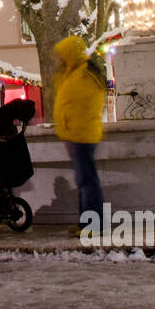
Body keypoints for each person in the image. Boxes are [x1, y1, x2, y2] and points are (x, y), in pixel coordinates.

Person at [50, 36, 107, 233]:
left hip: (82, 134)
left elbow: (82, 104)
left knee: (88, 181)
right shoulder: (74, 72)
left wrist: (70, 124)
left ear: (70, 54)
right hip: (76, 134)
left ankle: (95, 224)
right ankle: (86, 222)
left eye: (63, 55)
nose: (60, 58)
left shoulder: (84, 74)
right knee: (84, 181)